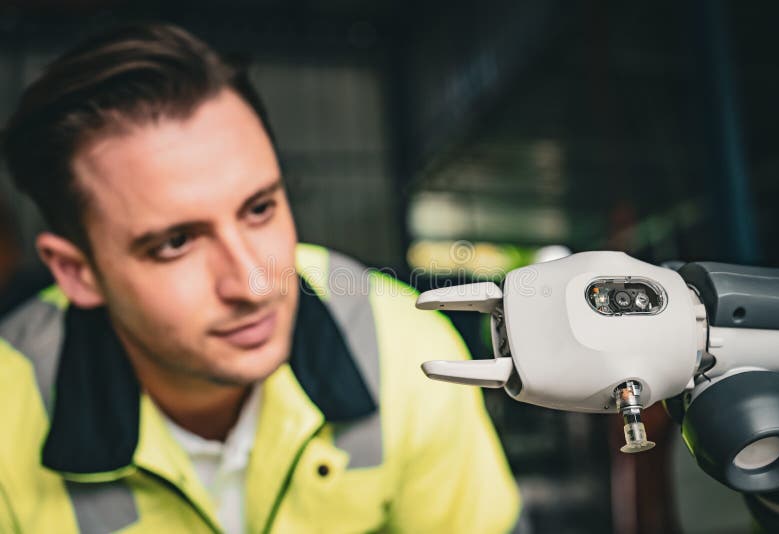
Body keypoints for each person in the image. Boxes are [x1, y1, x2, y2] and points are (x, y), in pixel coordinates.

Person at [0, 23, 520, 533]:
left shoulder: (400, 346)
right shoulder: (8, 416)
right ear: (77, 272)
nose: (255, 284)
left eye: (259, 208)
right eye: (175, 243)